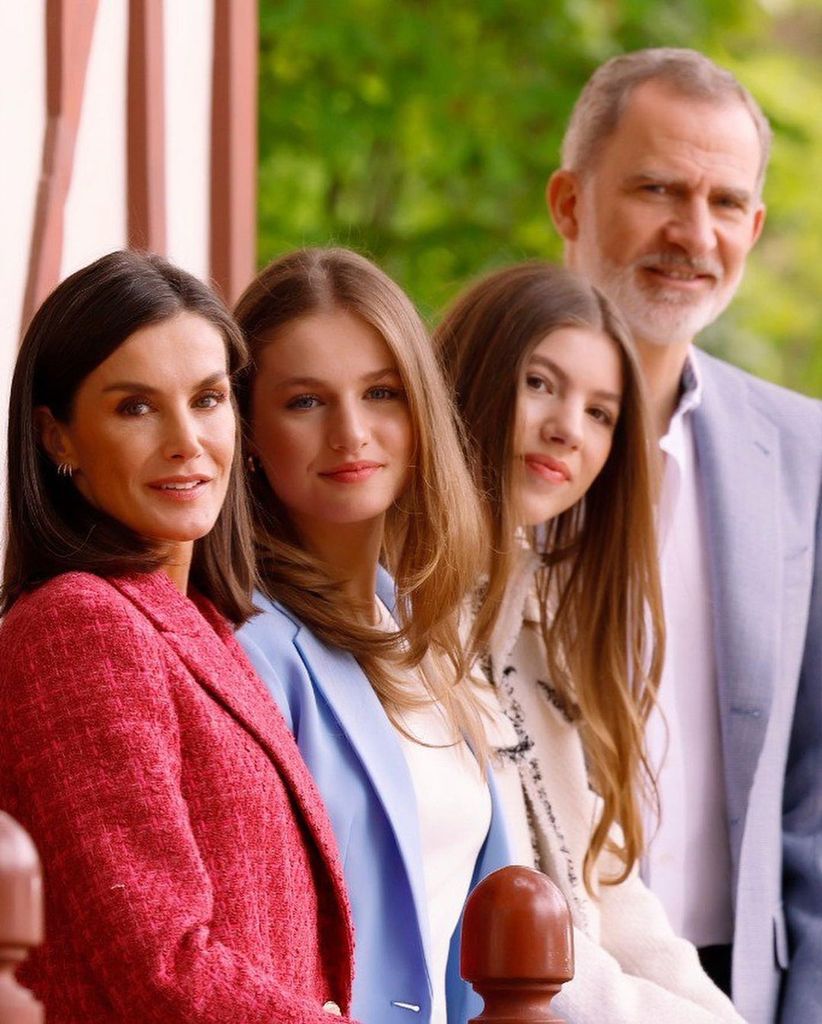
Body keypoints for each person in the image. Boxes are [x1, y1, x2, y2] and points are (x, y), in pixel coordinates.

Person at [0, 250, 357, 1023]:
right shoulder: (78, 625)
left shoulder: (201, 626)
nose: (186, 440)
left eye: (207, 399)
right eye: (135, 407)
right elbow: (157, 964)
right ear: (56, 437)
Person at [545, 47, 822, 1023]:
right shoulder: (455, 438)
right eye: (658, 189)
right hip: (517, 978)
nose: (691, 233)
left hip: (735, 987)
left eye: (724, 202)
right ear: (570, 203)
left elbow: (819, 787)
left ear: (753, 224)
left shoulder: (808, 455)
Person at [436, 260, 742, 1023]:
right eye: (540, 383)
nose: (567, 427)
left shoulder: (539, 626)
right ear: (474, 375)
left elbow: (607, 893)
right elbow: (519, 942)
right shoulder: (406, 620)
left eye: (601, 412)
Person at [234, 246, 514, 1024]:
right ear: (248, 431)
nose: (352, 432)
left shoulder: (419, 634)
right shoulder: (245, 648)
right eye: (305, 402)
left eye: (381, 393)